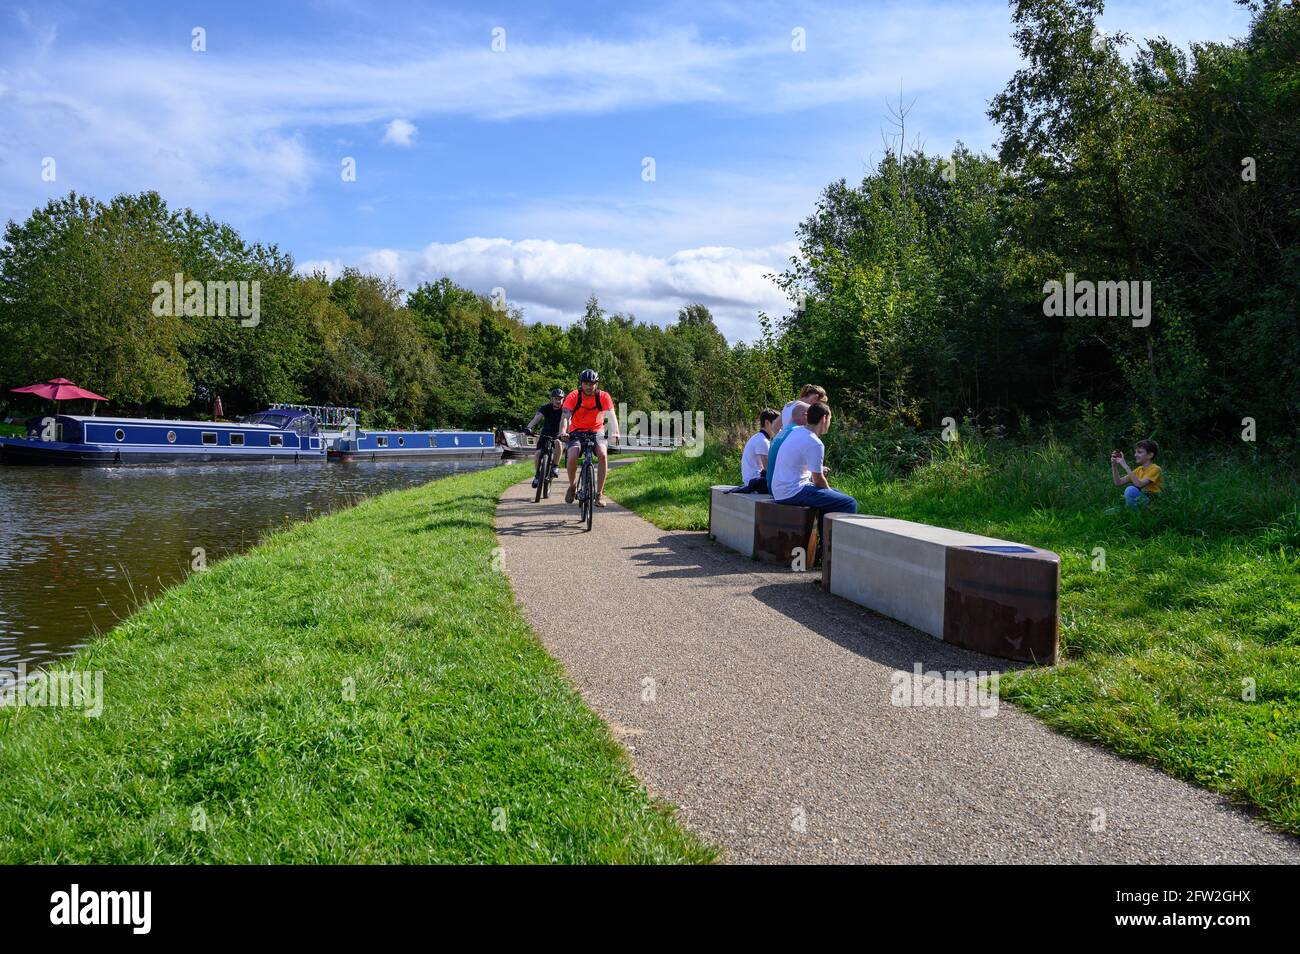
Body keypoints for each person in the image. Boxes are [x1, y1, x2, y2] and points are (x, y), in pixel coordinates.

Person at [770, 402, 857, 536]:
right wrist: (828, 491)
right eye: (830, 419)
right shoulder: (815, 442)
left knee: (836, 495)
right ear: (824, 418)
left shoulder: (797, 431)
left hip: (780, 489)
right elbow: (818, 481)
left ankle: (822, 539)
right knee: (849, 503)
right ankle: (834, 544)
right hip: (793, 491)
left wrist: (828, 492)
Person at [560, 369, 621, 507]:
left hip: (596, 430)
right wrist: (563, 431)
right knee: (572, 455)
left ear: (596, 384)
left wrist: (616, 432)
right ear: (581, 384)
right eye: (585, 384)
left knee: (603, 455)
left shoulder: (603, 396)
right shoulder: (574, 396)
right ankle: (572, 486)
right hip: (576, 431)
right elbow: (565, 416)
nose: (588, 387)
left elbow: (611, 415)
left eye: (591, 384)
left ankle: (599, 494)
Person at [728, 409, 780, 494]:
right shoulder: (762, 441)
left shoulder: (757, 437)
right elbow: (768, 468)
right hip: (755, 483)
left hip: (752, 480)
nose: (779, 428)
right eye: (777, 424)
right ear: (767, 423)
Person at [523, 388, 566, 488]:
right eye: (556, 399)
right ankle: (537, 475)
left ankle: (555, 467)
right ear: (551, 399)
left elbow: (568, 421)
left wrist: (564, 433)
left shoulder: (565, 409)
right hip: (545, 433)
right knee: (538, 453)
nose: (558, 401)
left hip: (558, 434)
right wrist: (528, 427)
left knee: (558, 443)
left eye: (560, 399)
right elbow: (537, 418)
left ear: (563, 399)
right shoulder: (545, 408)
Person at [1111, 439, 1163, 507]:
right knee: (1130, 490)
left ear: (1150, 455)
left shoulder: (1156, 469)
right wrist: (1114, 465)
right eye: (1135, 452)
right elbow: (1118, 482)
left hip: (1153, 501)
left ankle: (1132, 512)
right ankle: (1133, 511)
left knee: (1130, 490)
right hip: (1143, 498)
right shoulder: (1139, 470)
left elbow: (1139, 484)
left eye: (1139, 452)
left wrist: (1125, 466)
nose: (1135, 455)